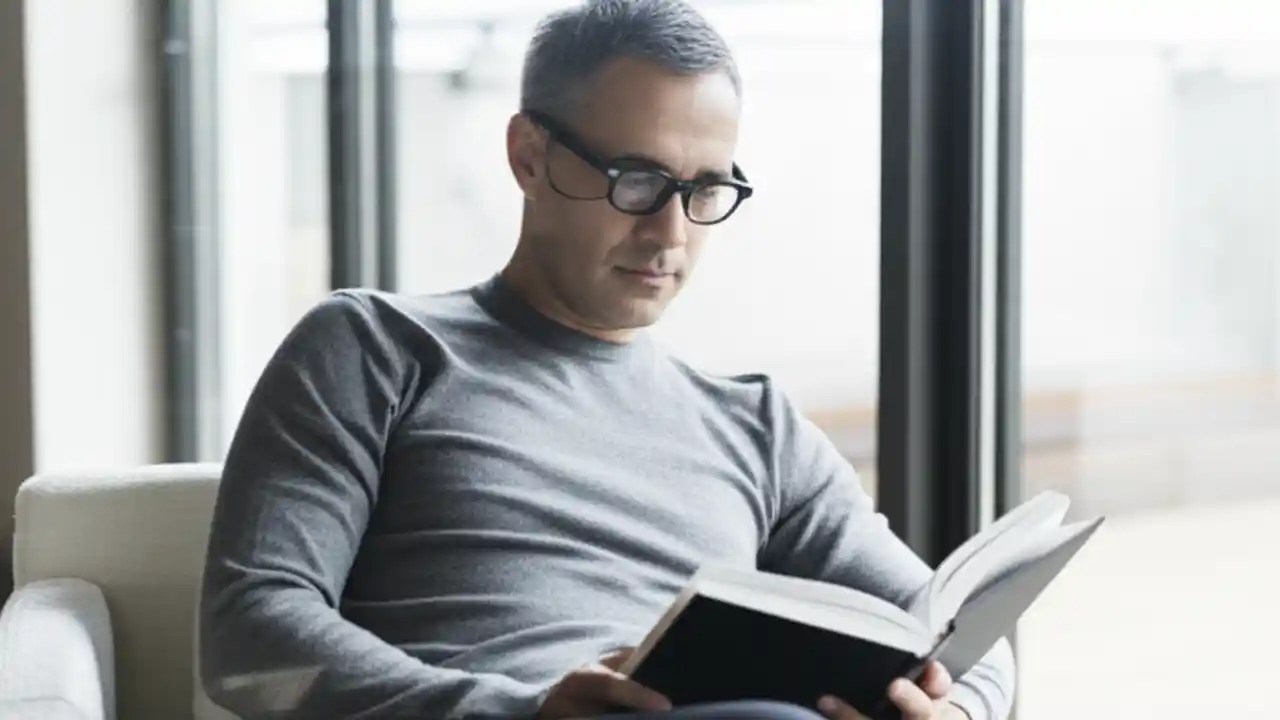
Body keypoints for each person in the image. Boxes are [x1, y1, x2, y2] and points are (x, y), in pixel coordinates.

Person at [198, 1, 1015, 718]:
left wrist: (959, 712)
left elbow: (955, 624)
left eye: (705, 191)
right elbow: (252, 634)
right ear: (529, 156)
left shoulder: (757, 428)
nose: (671, 235)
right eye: (636, 181)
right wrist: (519, 711)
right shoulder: (375, 349)